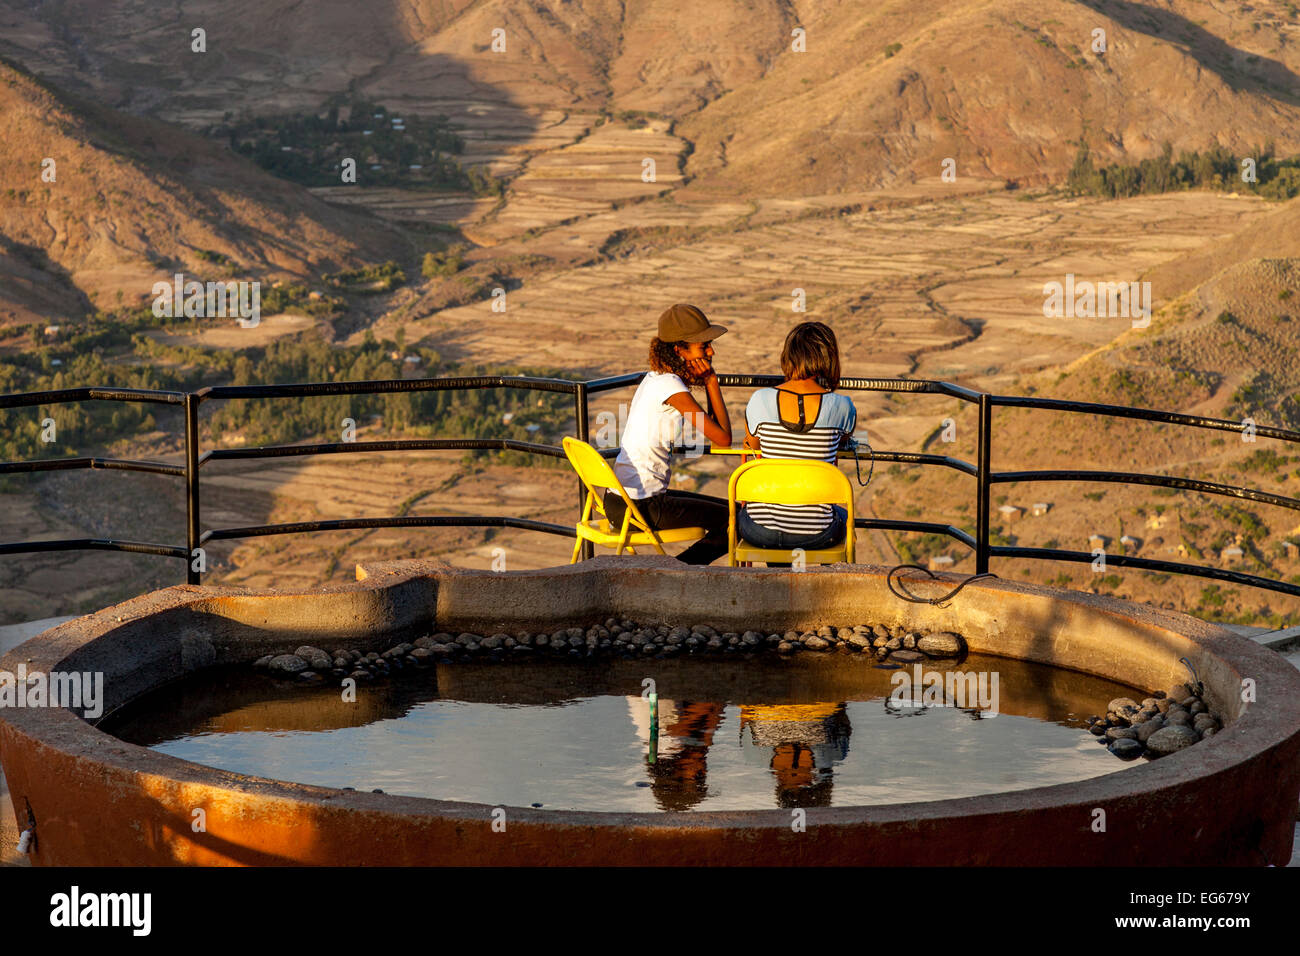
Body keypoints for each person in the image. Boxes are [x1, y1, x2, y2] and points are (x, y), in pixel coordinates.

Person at [603, 303, 733, 565]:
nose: (711, 351)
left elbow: (717, 434)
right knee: (736, 522)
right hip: (642, 508)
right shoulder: (672, 390)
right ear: (679, 350)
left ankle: (679, 571)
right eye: (702, 345)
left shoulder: (655, 379)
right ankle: (678, 572)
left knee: (734, 513)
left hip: (619, 503)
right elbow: (723, 439)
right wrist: (711, 382)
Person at [739, 321, 856, 559]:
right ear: (828, 358)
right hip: (817, 533)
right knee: (845, 518)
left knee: (742, 515)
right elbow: (844, 439)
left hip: (761, 530)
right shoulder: (843, 406)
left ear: (788, 356)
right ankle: (826, 587)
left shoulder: (760, 399)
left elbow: (752, 444)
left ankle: (781, 584)